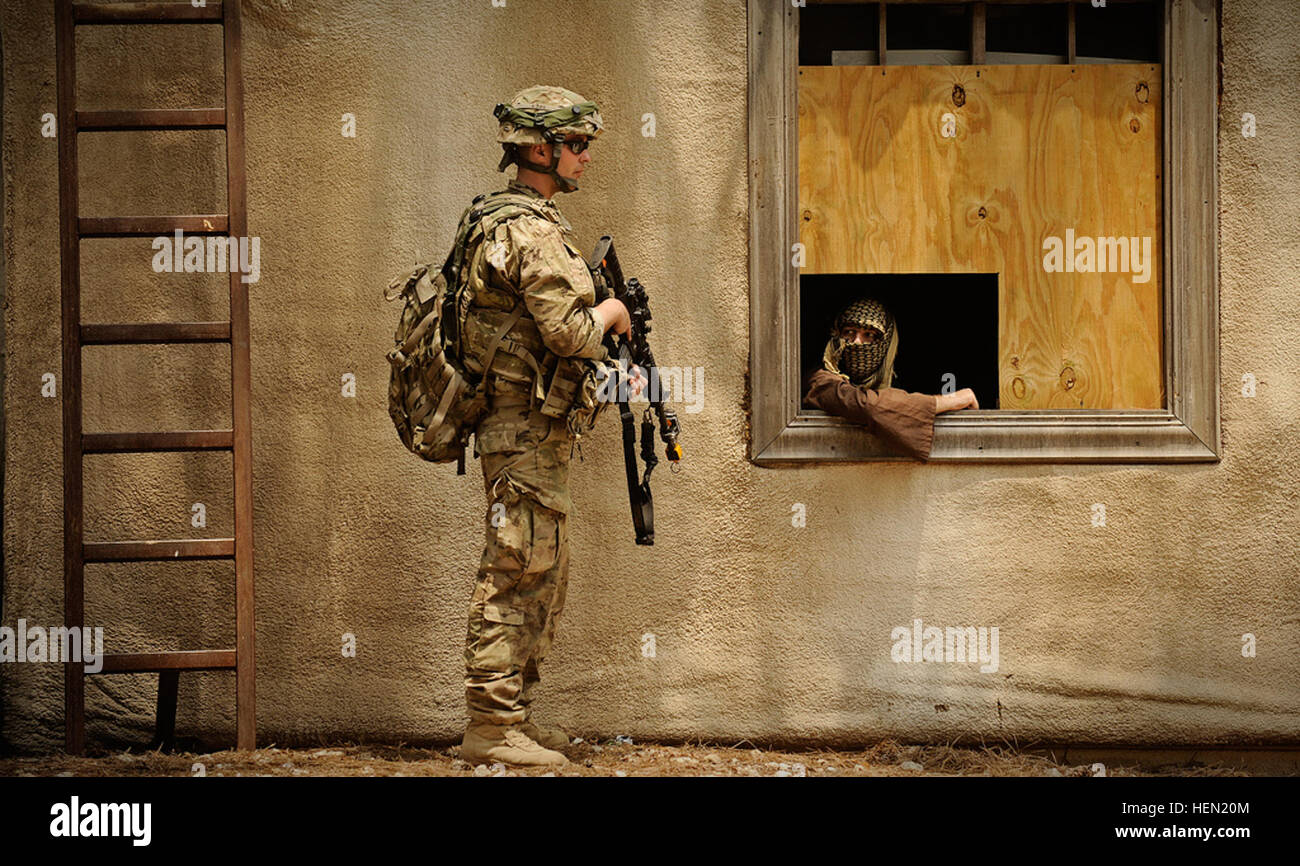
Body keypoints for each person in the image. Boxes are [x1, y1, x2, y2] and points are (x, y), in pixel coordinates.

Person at [458, 85, 646, 767]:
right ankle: (489, 726)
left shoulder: (515, 219)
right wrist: (615, 313)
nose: (586, 157)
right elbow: (568, 332)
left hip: (533, 428)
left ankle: (515, 718)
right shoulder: (530, 229)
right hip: (521, 431)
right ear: (540, 149)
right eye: (578, 144)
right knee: (513, 567)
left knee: (541, 570)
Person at [803, 296, 978, 460]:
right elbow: (866, 404)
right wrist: (950, 401)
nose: (856, 342)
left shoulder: (899, 382)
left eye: (869, 335)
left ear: (886, 341)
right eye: (849, 332)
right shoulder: (820, 380)